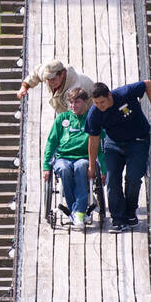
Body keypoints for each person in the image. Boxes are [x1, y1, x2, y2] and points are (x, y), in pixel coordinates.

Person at [85, 79, 151, 233]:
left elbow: (148, 83)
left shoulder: (125, 93)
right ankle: (118, 220)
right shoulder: (94, 113)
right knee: (113, 179)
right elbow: (93, 141)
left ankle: (130, 211)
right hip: (113, 144)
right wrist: (92, 166)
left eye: (101, 102)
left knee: (133, 178)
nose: (99, 106)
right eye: (96, 103)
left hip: (138, 140)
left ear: (109, 96)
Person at [43, 86, 106, 230]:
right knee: (64, 169)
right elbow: (51, 142)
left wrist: (103, 169)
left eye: (76, 102)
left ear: (85, 102)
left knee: (80, 167)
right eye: (70, 102)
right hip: (63, 157)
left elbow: (100, 148)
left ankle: (77, 211)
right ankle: (77, 211)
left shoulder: (93, 118)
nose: (73, 106)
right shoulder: (62, 118)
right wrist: (46, 166)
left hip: (84, 157)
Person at [17, 57, 95, 113]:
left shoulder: (74, 90)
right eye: (47, 79)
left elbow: (74, 116)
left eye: (53, 79)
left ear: (63, 74)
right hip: (63, 107)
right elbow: (36, 74)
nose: (50, 83)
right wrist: (24, 87)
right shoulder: (44, 72)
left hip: (89, 109)